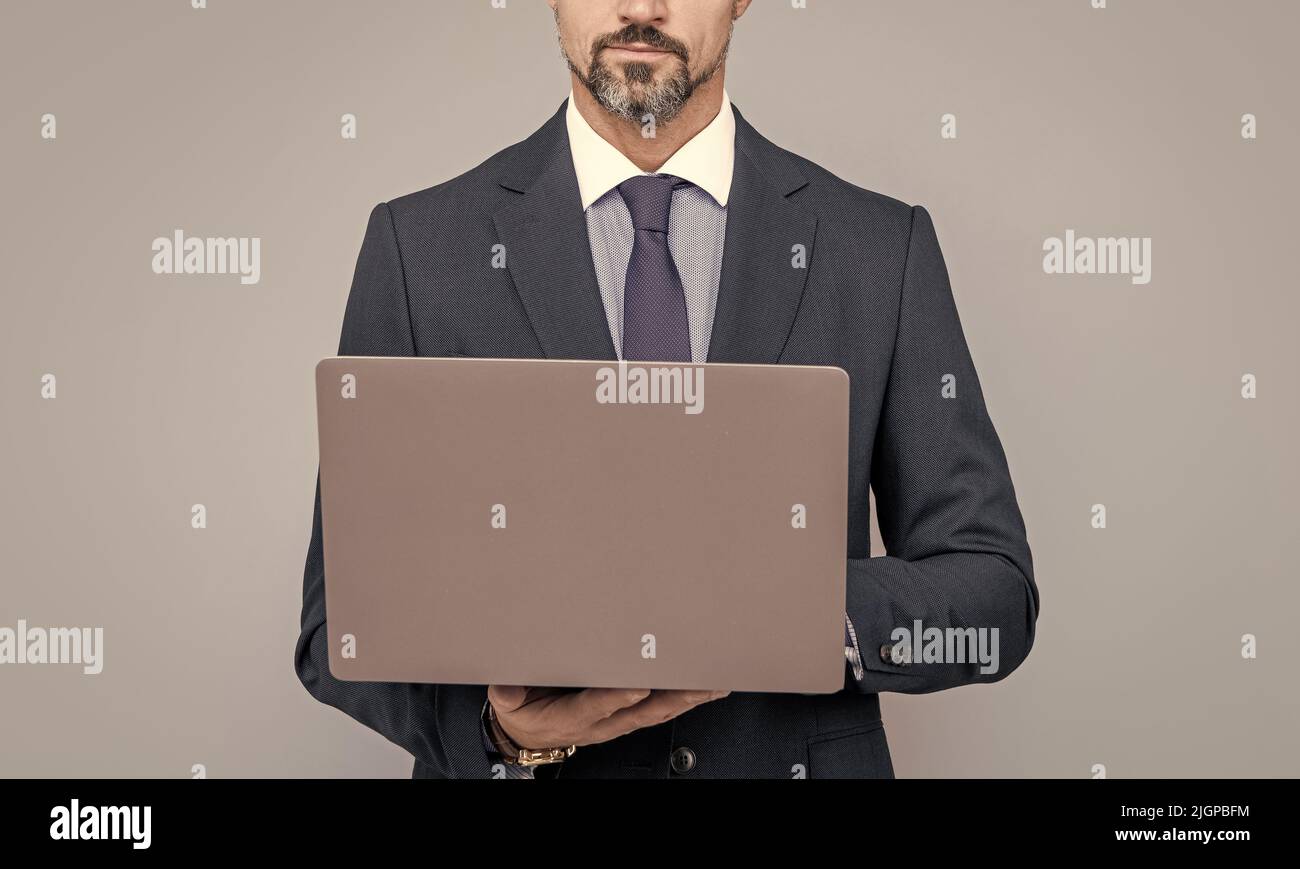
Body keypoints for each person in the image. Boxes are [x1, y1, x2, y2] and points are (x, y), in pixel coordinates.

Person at [295, 0, 1039, 779]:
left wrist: (794, 609)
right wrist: (502, 732)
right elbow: (336, 625)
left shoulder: (880, 250)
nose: (639, 8)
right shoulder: (420, 251)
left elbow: (993, 590)